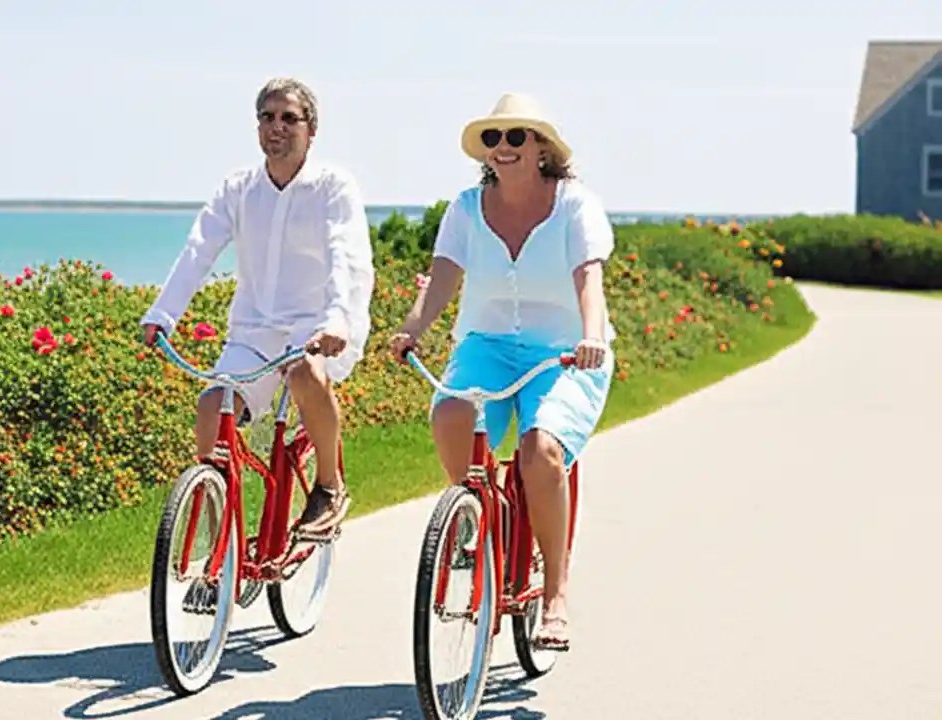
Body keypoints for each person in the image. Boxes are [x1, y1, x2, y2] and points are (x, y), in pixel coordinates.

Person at [389, 92, 615, 651]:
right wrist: (414, 326)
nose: (504, 148)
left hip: (562, 350)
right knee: (449, 413)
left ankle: (555, 595)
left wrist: (591, 336)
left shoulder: (575, 204)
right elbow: (443, 275)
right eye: (494, 138)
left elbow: (589, 277)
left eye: (517, 136)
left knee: (541, 450)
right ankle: (476, 515)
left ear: (542, 146)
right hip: (486, 344)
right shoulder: (466, 208)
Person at [141, 77, 374, 537]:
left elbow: (344, 256)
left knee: (307, 374)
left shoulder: (332, 187)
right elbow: (199, 249)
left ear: (311, 129)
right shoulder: (239, 188)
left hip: (319, 326)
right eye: (267, 117)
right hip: (254, 332)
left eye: (289, 118)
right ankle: (216, 540)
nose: (277, 127)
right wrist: (162, 315)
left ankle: (329, 485)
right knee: (212, 408)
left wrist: (335, 320)